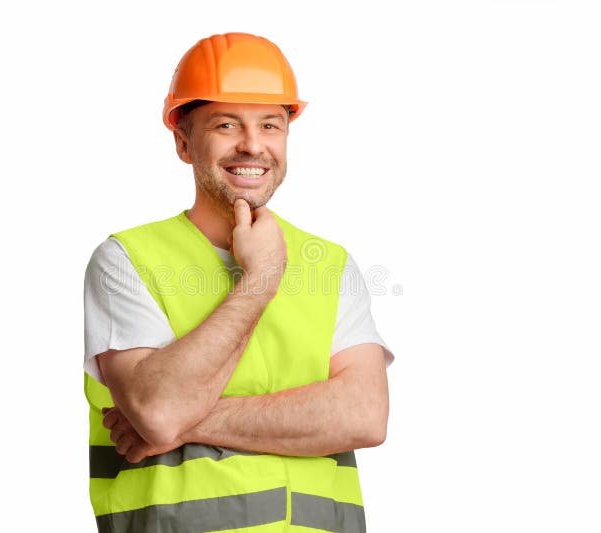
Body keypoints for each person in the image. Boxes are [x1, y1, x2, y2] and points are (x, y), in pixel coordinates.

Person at [83, 32, 394, 533]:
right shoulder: (125, 260)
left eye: (270, 124)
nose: (253, 144)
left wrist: (184, 422)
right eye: (226, 124)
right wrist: (261, 280)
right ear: (184, 143)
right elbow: (159, 411)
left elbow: (364, 416)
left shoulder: (330, 264)